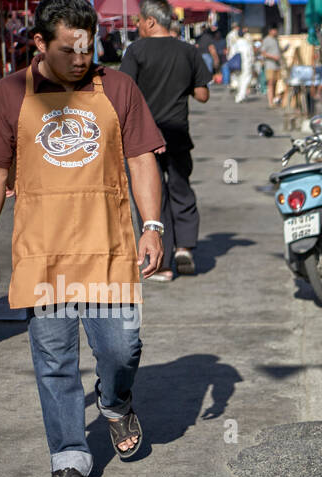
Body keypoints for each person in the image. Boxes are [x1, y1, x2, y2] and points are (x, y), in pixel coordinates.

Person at [0, 0, 165, 477]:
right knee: (54, 359)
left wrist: (153, 225)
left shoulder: (118, 87)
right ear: (39, 44)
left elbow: (142, 159)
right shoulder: (11, 93)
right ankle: (69, 456)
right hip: (43, 251)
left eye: (87, 47)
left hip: (108, 247)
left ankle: (115, 405)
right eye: (67, 49)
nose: (81, 59)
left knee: (122, 349)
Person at [121, 0, 209, 282]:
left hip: (143, 137)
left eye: (138, 22)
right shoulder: (188, 51)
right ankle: (184, 246)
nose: (137, 27)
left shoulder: (135, 51)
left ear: (150, 21)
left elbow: (124, 92)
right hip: (178, 133)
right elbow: (203, 94)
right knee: (182, 189)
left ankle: (162, 263)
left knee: (151, 196)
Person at [230, 27, 255, 103]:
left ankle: (239, 95)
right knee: (245, 79)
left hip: (237, 64)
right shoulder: (247, 43)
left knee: (239, 79)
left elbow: (231, 55)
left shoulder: (235, 44)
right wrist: (252, 64)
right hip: (246, 64)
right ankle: (241, 96)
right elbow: (251, 55)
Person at [261, 26, 282, 107]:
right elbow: (263, 53)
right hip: (270, 65)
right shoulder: (266, 40)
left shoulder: (276, 40)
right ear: (270, 30)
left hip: (277, 65)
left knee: (276, 83)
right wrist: (273, 57)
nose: (275, 31)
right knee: (270, 83)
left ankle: (275, 100)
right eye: (274, 30)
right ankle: (270, 102)